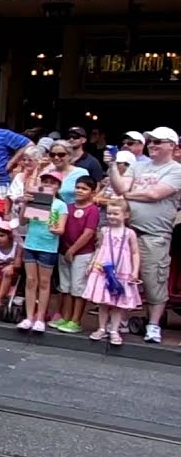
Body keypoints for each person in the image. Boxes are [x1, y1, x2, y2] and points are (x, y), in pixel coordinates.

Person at [106, 126, 181, 342]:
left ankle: (154, 325)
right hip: (127, 232)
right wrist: (112, 166)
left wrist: (127, 195)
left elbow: (154, 194)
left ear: (171, 145)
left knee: (153, 280)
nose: (153, 144)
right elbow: (120, 187)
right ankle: (120, 320)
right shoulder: (139, 166)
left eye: (158, 141)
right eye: (151, 141)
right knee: (120, 277)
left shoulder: (176, 170)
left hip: (154, 234)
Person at [82, 199, 142, 346]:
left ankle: (114, 330)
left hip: (122, 270)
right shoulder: (104, 231)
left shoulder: (130, 233)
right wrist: (92, 263)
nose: (111, 216)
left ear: (126, 215)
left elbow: (135, 253)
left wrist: (135, 271)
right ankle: (101, 328)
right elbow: (99, 248)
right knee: (104, 302)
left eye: (115, 213)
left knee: (117, 304)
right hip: (104, 269)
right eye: (109, 213)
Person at [17, 170, 68, 333]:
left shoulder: (60, 205)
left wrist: (55, 228)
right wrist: (25, 203)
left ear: (58, 186)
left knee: (44, 283)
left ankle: (40, 318)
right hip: (31, 244)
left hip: (48, 246)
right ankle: (29, 317)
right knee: (31, 281)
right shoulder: (34, 200)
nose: (48, 185)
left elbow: (61, 229)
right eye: (45, 181)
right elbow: (22, 222)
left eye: (52, 182)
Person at [52, 175, 99, 334]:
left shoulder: (92, 210)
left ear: (92, 192)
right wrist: (66, 248)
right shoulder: (68, 207)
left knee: (78, 287)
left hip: (82, 253)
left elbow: (88, 233)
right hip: (65, 251)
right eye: (78, 187)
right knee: (65, 286)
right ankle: (65, 317)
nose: (79, 191)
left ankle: (76, 320)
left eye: (84, 188)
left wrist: (73, 250)